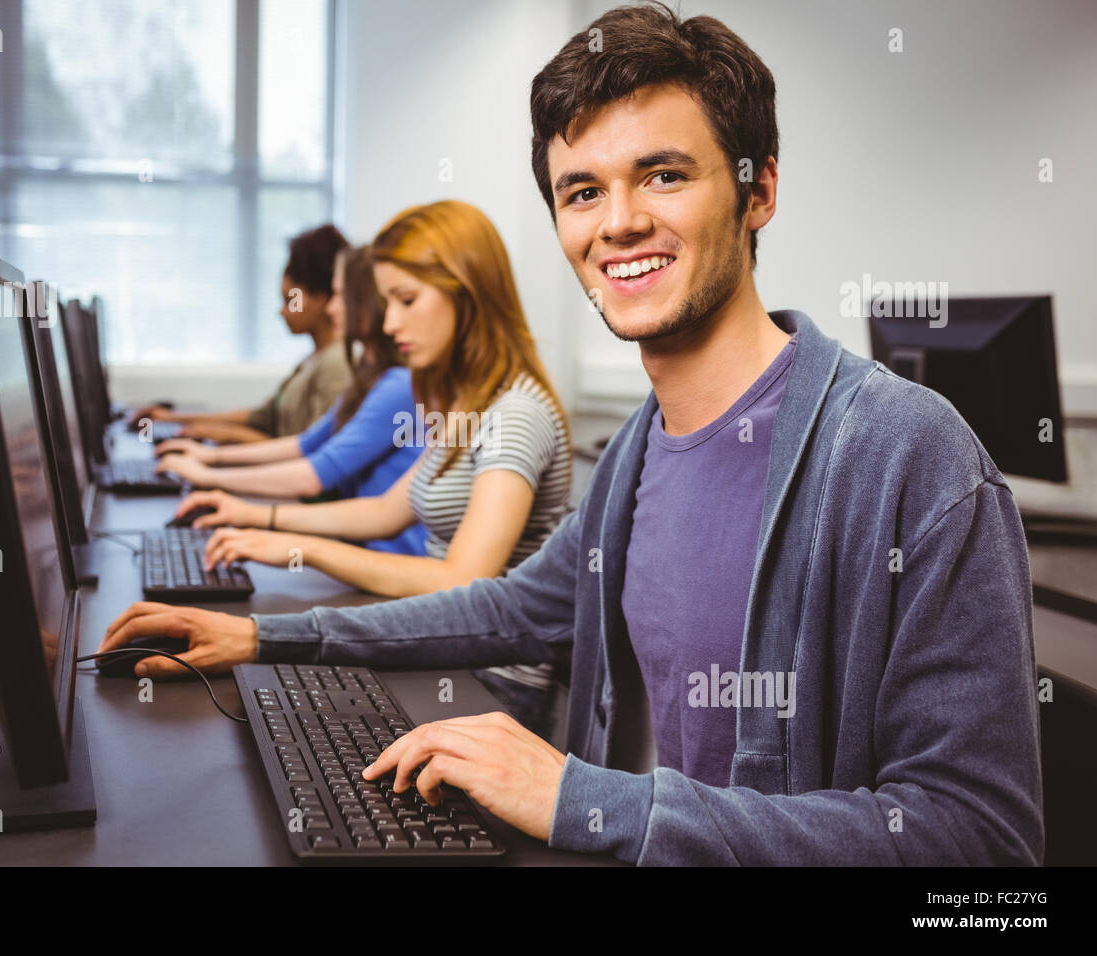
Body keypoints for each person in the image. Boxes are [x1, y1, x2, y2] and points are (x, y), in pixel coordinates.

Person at [102, 3, 1043, 865]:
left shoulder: (905, 454)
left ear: (757, 195)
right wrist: (266, 640)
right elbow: (507, 610)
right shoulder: (640, 448)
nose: (620, 222)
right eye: (582, 191)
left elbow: (983, 840)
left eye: (664, 175)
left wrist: (592, 799)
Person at [114, 199, 573, 738]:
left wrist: (297, 546)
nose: (389, 321)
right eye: (385, 302)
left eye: (406, 299)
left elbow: (463, 580)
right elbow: (384, 511)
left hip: (491, 686)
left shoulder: (515, 415)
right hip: (446, 651)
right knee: (270, 715)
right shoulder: (473, 403)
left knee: (273, 719)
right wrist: (263, 522)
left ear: (466, 293)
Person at [156, 246, 428, 556]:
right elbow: (305, 443)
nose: (331, 308)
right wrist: (209, 460)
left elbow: (316, 473)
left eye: (340, 296)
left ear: (366, 304)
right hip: (363, 550)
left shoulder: (399, 385)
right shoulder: (368, 376)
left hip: (386, 560)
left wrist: (211, 476)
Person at [133, 224, 352, 443]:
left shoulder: (336, 363)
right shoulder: (312, 360)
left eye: (290, 301)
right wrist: (173, 419)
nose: (282, 311)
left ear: (321, 299)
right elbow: (260, 418)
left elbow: (314, 454)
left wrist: (225, 435)